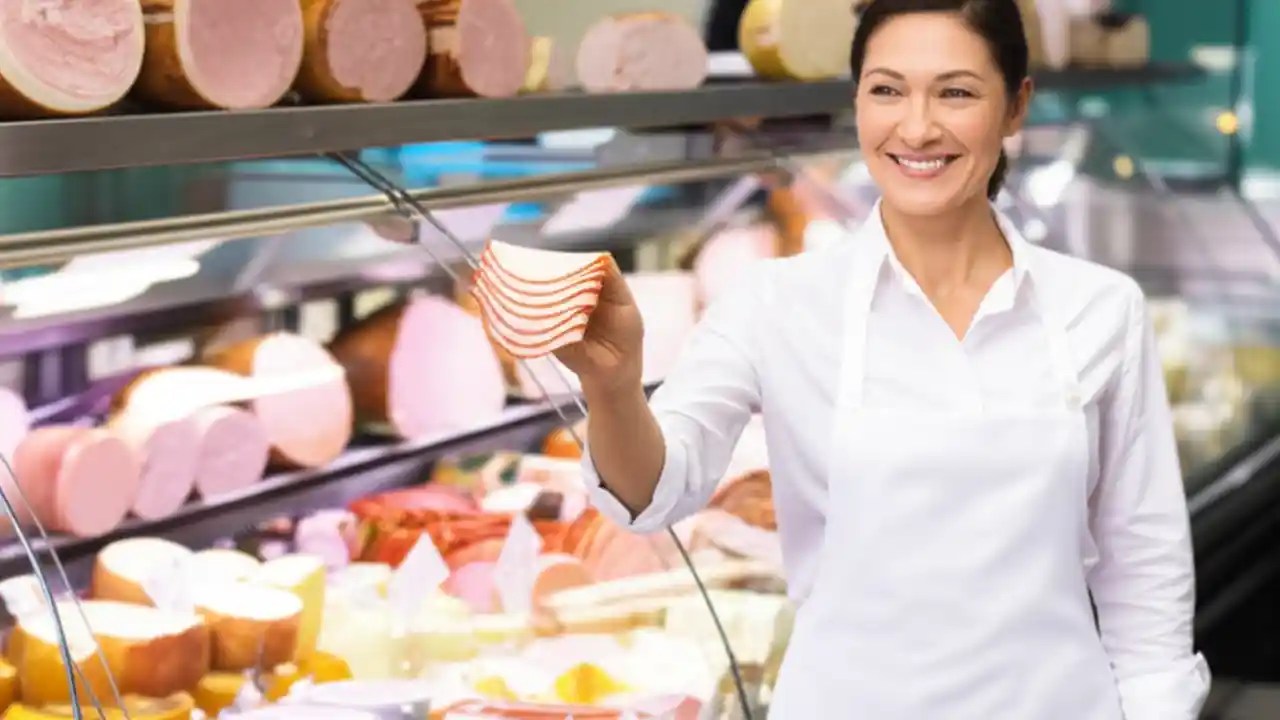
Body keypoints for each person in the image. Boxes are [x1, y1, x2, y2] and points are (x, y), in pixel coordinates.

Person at [555, 0, 1210, 717]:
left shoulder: (1102, 308)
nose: (917, 126)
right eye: (887, 90)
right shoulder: (777, 300)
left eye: (956, 92)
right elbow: (655, 493)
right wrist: (614, 388)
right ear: (857, 100)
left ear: (1016, 106)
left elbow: (1145, 579)